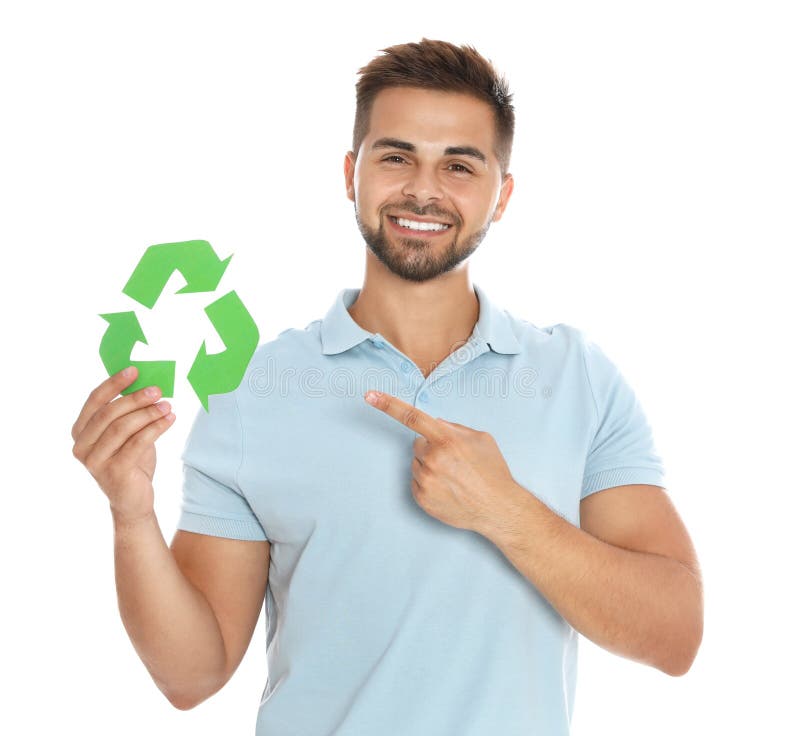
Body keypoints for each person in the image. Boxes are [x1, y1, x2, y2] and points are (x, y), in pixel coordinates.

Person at [71, 38, 703, 735]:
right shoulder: (253, 390)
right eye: (396, 156)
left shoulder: (576, 377)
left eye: (459, 165)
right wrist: (131, 515)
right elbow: (193, 675)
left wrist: (506, 512)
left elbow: (675, 636)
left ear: (503, 194)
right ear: (352, 173)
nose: (423, 190)